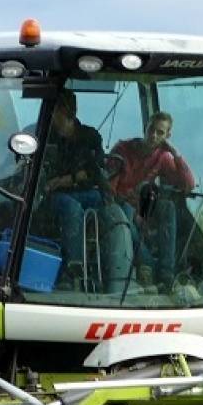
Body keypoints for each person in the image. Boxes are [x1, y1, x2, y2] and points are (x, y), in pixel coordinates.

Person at [36, 88, 116, 287]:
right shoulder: (43, 135)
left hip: (87, 193)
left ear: (64, 110)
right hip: (54, 197)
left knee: (113, 208)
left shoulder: (90, 136)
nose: (51, 114)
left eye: (54, 109)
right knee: (72, 207)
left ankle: (123, 270)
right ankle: (75, 268)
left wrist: (63, 180)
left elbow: (94, 171)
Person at [109, 112, 196, 287]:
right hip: (117, 204)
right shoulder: (122, 149)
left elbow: (188, 185)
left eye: (160, 132)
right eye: (151, 129)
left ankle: (166, 275)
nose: (153, 135)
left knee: (168, 208)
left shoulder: (163, 156)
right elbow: (109, 186)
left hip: (141, 206)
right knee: (126, 213)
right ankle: (149, 264)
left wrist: (175, 153)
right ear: (145, 127)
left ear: (167, 136)